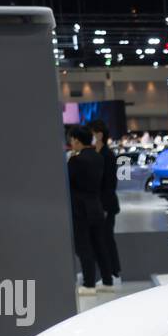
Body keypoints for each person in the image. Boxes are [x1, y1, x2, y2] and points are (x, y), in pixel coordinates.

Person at [65, 125, 111, 294]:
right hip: (96, 206)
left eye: (71, 140)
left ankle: (89, 284)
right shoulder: (98, 158)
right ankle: (107, 281)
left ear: (76, 140)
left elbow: (68, 182)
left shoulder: (75, 161)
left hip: (80, 208)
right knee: (100, 244)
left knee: (84, 246)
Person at [87, 120, 122, 284]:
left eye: (92, 133)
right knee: (100, 240)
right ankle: (107, 273)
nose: (91, 137)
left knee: (107, 239)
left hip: (106, 204)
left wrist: (105, 206)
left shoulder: (107, 155)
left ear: (99, 134)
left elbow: (109, 183)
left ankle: (114, 273)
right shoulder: (96, 153)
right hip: (97, 204)